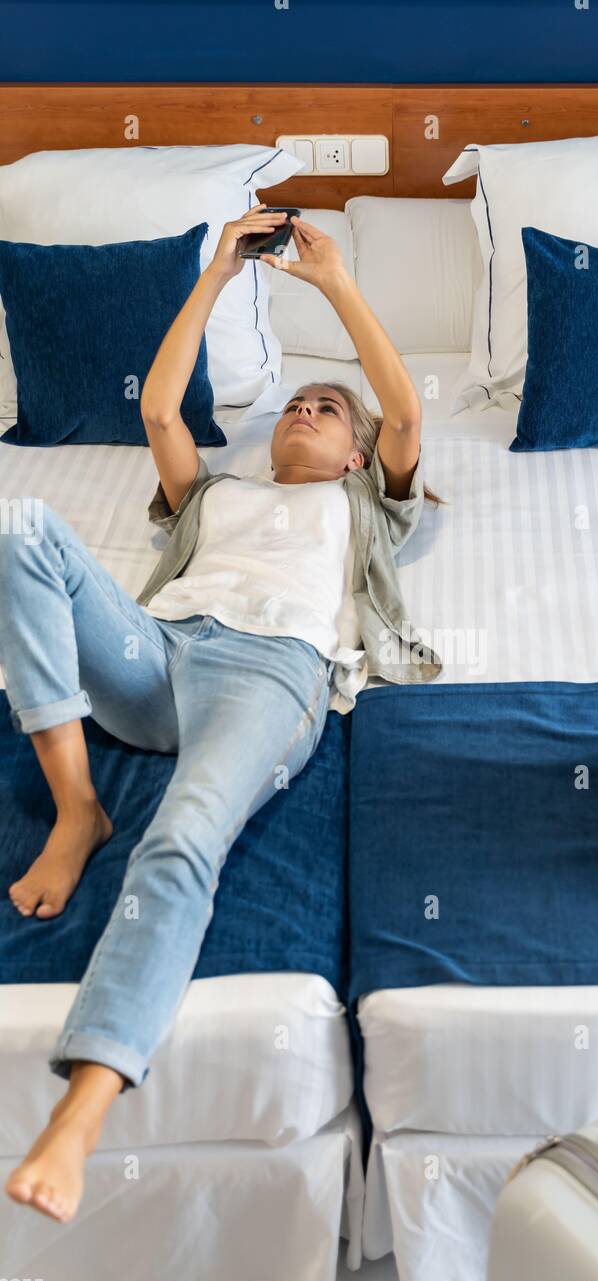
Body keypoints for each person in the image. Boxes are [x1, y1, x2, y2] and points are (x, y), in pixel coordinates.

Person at [2, 207, 440, 1222]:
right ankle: (76, 808)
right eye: (296, 399)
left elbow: (407, 417)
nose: (305, 409)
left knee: (184, 838)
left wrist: (332, 284)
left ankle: (85, 1102)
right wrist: (213, 274)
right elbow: (161, 413)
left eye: (329, 409)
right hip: (159, 656)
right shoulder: (212, 497)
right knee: (22, 525)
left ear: (354, 458)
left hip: (268, 673)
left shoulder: (365, 507)